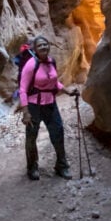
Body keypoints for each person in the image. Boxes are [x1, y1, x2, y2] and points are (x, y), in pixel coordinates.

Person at [19, 36, 79, 180]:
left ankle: (61, 166)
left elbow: (54, 82)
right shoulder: (30, 64)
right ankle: (32, 167)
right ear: (35, 49)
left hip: (50, 104)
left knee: (58, 133)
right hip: (34, 106)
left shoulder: (51, 61)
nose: (44, 47)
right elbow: (22, 89)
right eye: (40, 45)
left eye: (45, 44)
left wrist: (67, 91)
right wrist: (26, 112)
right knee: (31, 137)